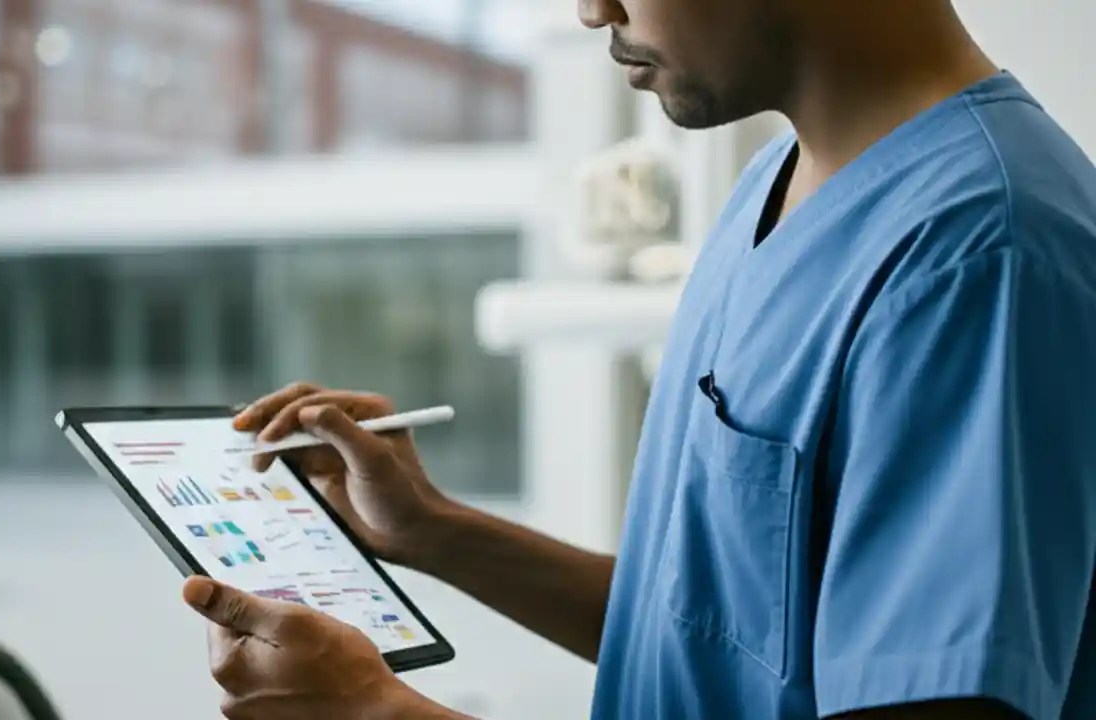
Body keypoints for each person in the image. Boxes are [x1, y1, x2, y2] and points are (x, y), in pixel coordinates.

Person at [181, 0, 1096, 717]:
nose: (591, 10)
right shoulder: (767, 191)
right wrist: (431, 529)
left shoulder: (983, 253)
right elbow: (716, 636)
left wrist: (378, 711)